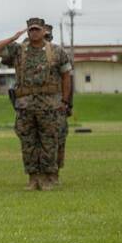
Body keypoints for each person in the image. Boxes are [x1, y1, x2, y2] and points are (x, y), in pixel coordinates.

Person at [0, 18, 71, 190]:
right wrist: (13, 38)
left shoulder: (57, 51)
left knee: (49, 142)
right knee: (28, 143)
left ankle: (49, 177)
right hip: (25, 105)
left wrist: (64, 100)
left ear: (44, 32)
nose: (34, 32)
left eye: (37, 29)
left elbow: (66, 76)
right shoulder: (19, 51)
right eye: (31, 29)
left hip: (49, 106)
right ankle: (33, 178)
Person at [44, 23, 72, 180]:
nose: (45, 39)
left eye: (48, 36)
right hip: (35, 104)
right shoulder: (26, 52)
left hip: (57, 103)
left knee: (59, 138)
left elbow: (67, 79)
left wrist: (67, 103)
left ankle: (55, 172)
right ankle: (40, 172)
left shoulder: (59, 53)